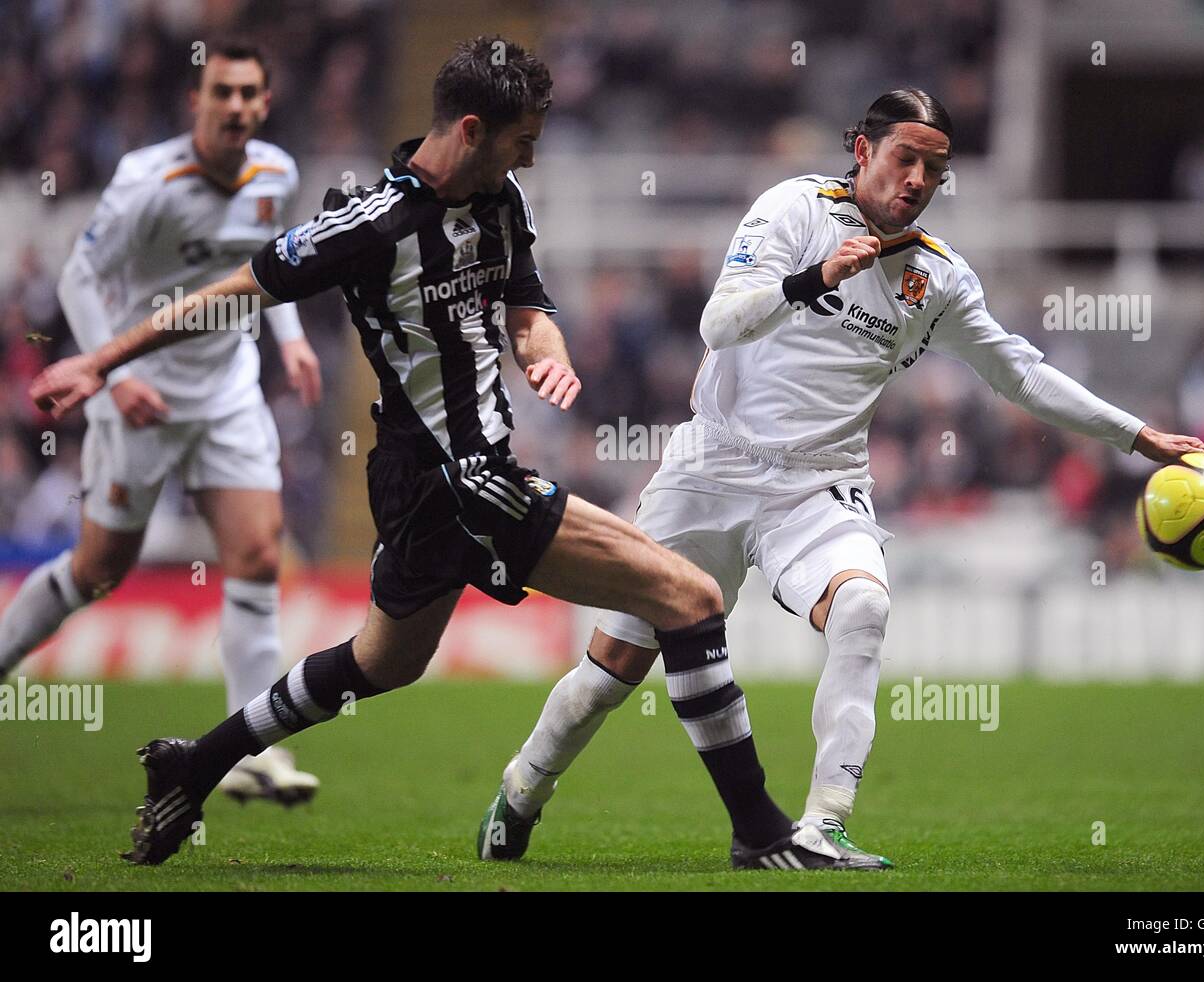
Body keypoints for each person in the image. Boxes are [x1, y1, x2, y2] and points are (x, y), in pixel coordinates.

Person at [29, 36, 860, 872]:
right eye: (521, 141)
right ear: (471, 128)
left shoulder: (501, 204)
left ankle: (195, 763)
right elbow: (229, 292)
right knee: (690, 596)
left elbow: (528, 308)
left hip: (436, 483)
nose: (529, 158)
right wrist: (99, 362)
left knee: (379, 662)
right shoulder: (366, 225)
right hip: (459, 478)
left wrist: (547, 351)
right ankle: (761, 834)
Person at [477, 88, 1204, 869]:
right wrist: (815, 276)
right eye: (906, 158)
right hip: (710, 467)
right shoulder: (793, 211)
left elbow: (1020, 374)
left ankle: (820, 824)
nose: (919, 179)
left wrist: (1135, 435)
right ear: (862, 151)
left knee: (862, 606)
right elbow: (716, 323)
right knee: (612, 673)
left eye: (936, 167)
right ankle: (521, 789)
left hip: (818, 485)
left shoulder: (940, 278)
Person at [1, 40, 323, 805]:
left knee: (254, 554)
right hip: (141, 395)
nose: (238, 106)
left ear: (265, 103)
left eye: (251, 93)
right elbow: (82, 275)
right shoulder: (148, 181)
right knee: (97, 571)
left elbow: (270, 269)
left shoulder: (277, 173)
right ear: (197, 102)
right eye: (224, 93)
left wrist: (294, 338)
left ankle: (250, 748)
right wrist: (113, 381)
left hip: (228, 391)